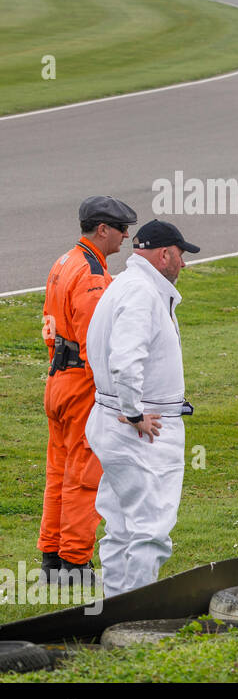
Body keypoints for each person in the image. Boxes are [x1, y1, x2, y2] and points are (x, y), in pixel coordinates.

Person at [84, 220, 198, 597]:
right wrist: (133, 412)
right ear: (164, 254)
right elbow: (126, 358)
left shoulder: (125, 286)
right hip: (140, 426)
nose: (183, 264)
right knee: (151, 528)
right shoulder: (142, 293)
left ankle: (116, 601)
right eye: (180, 256)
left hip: (113, 417)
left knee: (120, 523)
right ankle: (137, 611)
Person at [39, 196, 137, 587]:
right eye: (120, 229)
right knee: (84, 473)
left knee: (58, 470)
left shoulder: (64, 262)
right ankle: (76, 564)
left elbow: (50, 325)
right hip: (81, 384)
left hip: (57, 379)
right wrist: (111, 394)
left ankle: (52, 558)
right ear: (102, 229)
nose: (125, 236)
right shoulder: (93, 275)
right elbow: (96, 341)